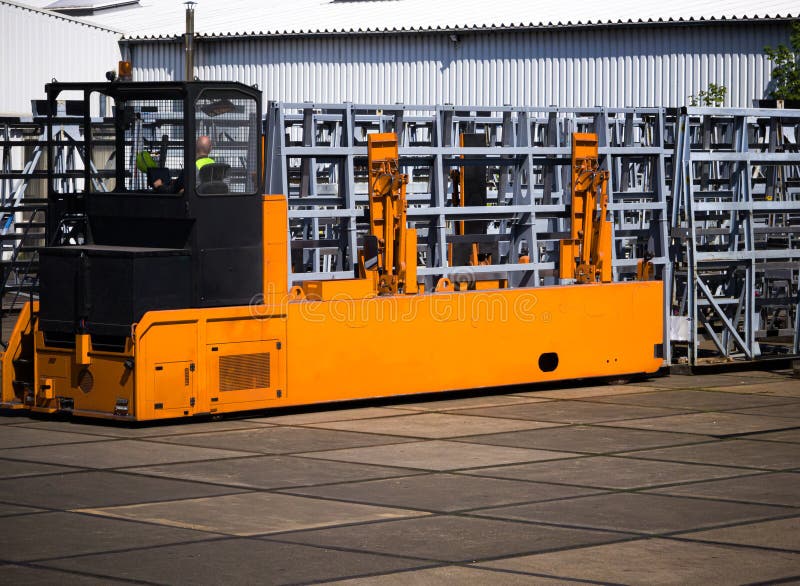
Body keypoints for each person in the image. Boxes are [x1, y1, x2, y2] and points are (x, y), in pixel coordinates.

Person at [148, 135, 214, 193]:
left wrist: (159, 186)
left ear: (195, 148)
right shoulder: (215, 165)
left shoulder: (191, 167)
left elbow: (172, 190)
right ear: (210, 149)